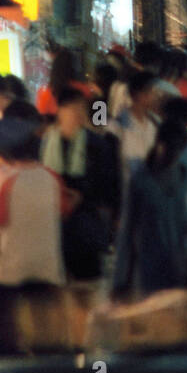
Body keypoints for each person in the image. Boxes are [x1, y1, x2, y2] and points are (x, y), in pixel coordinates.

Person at [0, 130, 68, 354]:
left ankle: (10, 356)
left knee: (4, 316)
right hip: (47, 262)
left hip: (11, 263)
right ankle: (46, 355)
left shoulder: (3, 178)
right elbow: (63, 211)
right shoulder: (52, 177)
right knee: (43, 318)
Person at [112, 119, 187, 297]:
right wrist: (120, 280)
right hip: (148, 274)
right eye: (172, 148)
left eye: (179, 150)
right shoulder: (140, 181)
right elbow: (127, 232)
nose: (174, 155)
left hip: (182, 274)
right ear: (159, 144)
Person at [40, 88, 122, 281]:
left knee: (88, 277)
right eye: (72, 109)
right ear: (60, 111)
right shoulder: (46, 142)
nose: (77, 114)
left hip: (86, 218)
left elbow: (108, 182)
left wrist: (82, 195)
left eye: (81, 109)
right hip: (54, 219)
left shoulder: (97, 143)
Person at [110, 71, 161, 183]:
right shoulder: (115, 127)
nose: (158, 96)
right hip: (125, 192)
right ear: (140, 94)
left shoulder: (155, 125)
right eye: (154, 92)